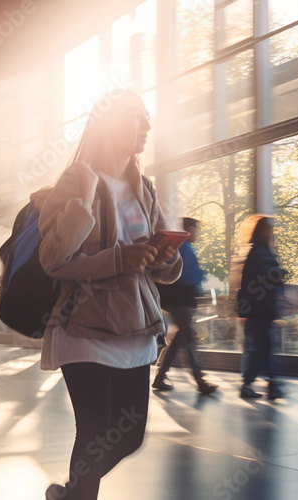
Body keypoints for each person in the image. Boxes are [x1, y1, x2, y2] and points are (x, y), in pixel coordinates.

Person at [39, 90, 182, 500]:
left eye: (148, 117)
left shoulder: (145, 188)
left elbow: (162, 271)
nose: (148, 126)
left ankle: (70, 495)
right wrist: (118, 257)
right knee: (96, 431)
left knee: (130, 434)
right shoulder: (76, 180)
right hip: (83, 323)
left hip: (134, 325)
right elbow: (53, 261)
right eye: (138, 116)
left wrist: (164, 256)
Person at [152, 217, 218, 395]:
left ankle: (160, 377)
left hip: (179, 300)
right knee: (188, 339)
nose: (198, 233)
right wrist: (200, 276)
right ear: (189, 229)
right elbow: (186, 276)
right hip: (181, 301)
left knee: (180, 339)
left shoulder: (185, 248)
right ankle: (199, 380)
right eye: (196, 229)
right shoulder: (186, 249)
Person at [235, 216, 285, 401]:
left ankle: (257, 384)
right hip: (261, 309)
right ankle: (267, 384)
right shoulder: (262, 252)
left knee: (260, 347)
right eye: (270, 230)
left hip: (257, 309)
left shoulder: (255, 251)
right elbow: (264, 280)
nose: (272, 233)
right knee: (264, 347)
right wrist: (278, 277)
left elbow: (249, 283)